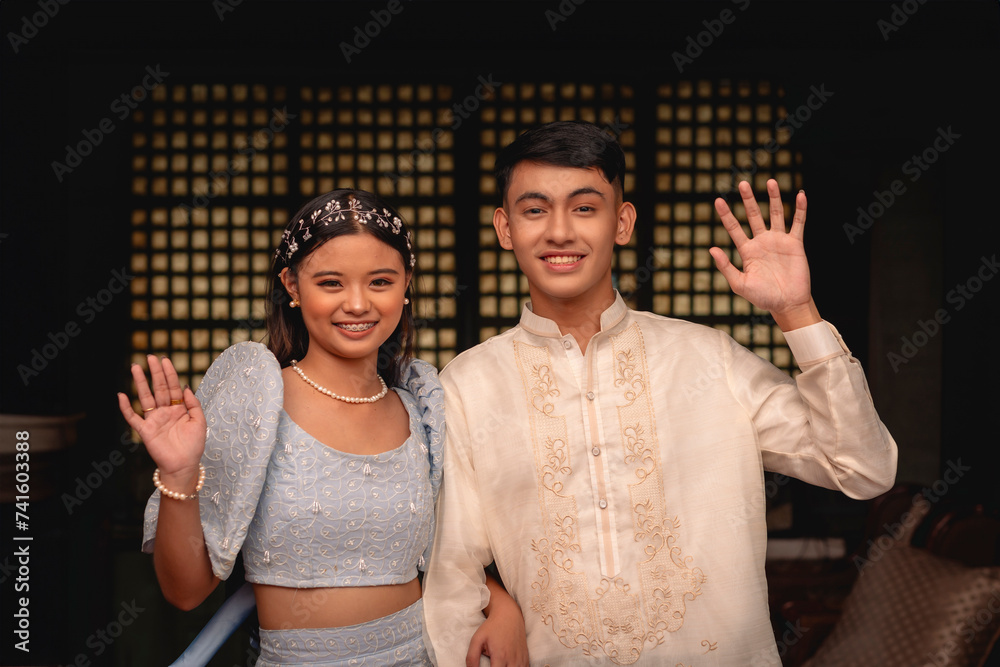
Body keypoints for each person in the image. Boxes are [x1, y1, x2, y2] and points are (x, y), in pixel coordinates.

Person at [422, 121, 898, 666]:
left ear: (622, 223)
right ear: (505, 229)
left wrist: (796, 312)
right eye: (535, 210)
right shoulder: (467, 384)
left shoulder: (709, 359)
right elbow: (451, 571)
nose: (559, 232)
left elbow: (864, 469)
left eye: (584, 208)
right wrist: (494, 607)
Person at [119, 189, 526, 666]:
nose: (357, 304)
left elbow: (452, 548)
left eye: (380, 281)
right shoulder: (256, 403)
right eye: (331, 283)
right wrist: (179, 475)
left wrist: (502, 607)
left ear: (406, 285)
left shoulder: (424, 409)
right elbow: (185, 591)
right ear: (292, 285)